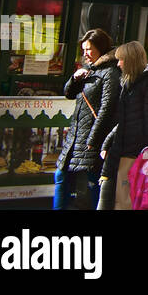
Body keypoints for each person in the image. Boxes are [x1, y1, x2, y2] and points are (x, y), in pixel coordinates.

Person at [98, 41, 148, 210]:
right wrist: (108, 143)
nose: (118, 64)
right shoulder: (129, 83)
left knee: (125, 201)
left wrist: (146, 155)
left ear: (131, 60)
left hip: (134, 154)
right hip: (122, 150)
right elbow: (124, 120)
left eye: (121, 59)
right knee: (111, 196)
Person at [54, 29, 119, 210]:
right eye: (83, 49)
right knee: (61, 175)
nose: (85, 54)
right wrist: (74, 79)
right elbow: (69, 93)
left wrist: (93, 139)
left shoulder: (110, 73)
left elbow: (107, 108)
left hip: (92, 137)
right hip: (76, 135)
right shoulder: (89, 69)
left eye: (89, 49)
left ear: (100, 48)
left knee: (93, 180)